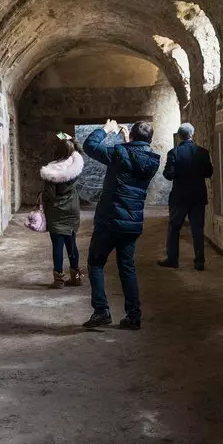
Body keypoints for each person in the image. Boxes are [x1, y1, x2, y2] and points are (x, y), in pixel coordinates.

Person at [80, 119, 161, 330]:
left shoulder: (118, 154)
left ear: (132, 136)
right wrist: (128, 141)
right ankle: (133, 316)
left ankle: (101, 311)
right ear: (149, 140)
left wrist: (106, 130)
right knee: (127, 268)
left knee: (96, 264)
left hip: (109, 220)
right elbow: (135, 158)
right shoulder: (152, 160)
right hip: (131, 222)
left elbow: (90, 145)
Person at [158, 122, 213, 270]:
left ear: (179, 136)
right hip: (198, 196)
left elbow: (168, 175)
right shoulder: (203, 152)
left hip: (179, 196)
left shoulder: (173, 153)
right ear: (192, 135)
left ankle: (172, 259)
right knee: (197, 229)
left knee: (174, 228)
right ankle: (199, 262)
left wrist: (178, 172)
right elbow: (209, 172)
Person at [40, 134, 85, 288]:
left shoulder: (51, 170)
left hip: (57, 212)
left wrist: (42, 195)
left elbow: (50, 196)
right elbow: (80, 150)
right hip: (72, 209)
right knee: (72, 243)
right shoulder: (76, 165)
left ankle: (59, 280)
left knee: (57, 246)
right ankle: (76, 277)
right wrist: (72, 139)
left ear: (57, 150)